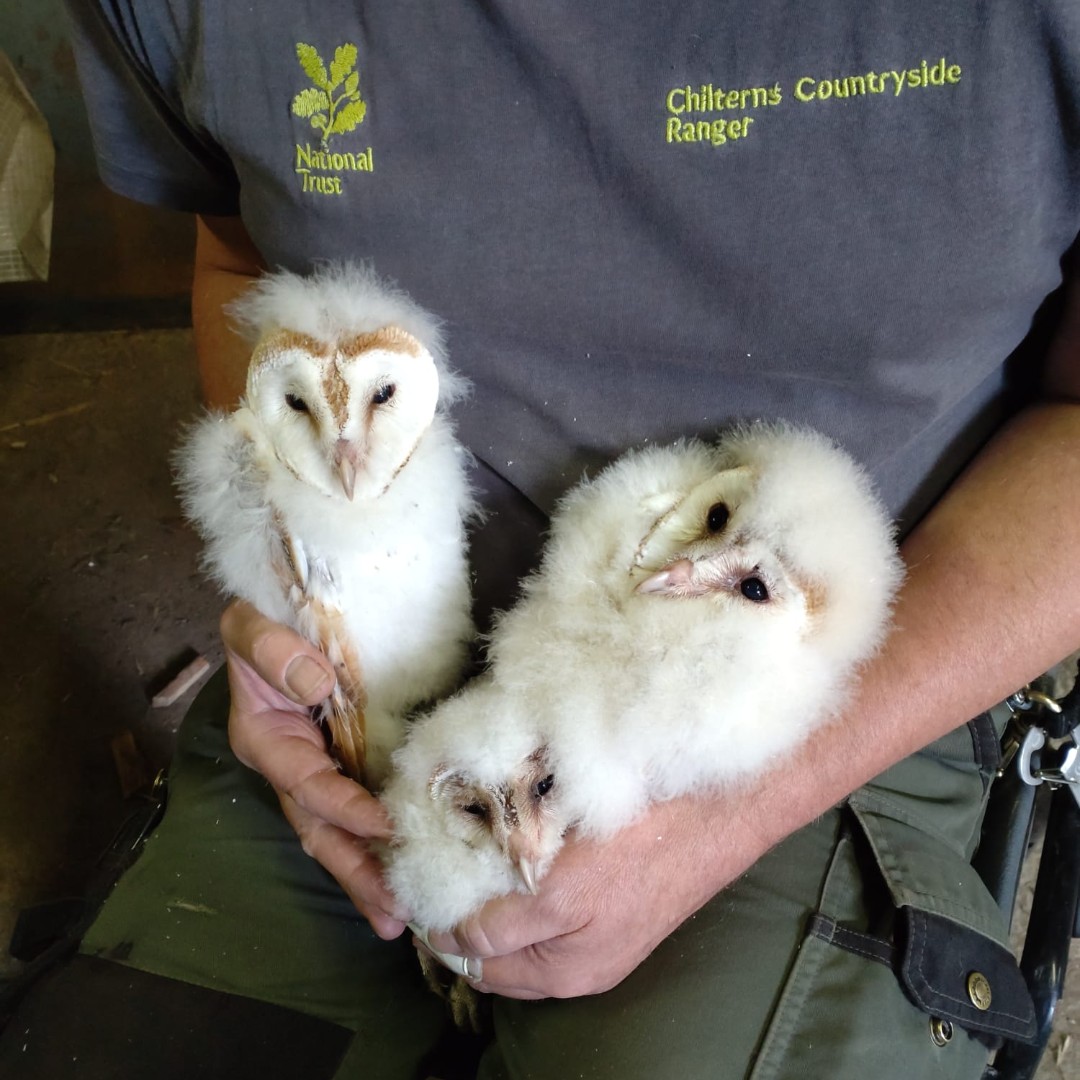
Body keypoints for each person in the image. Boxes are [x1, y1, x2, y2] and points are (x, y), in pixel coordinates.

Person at [3, 3, 1079, 1077]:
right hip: (386, 653)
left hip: (836, 674)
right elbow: (244, 262)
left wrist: (746, 799)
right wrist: (311, 571)